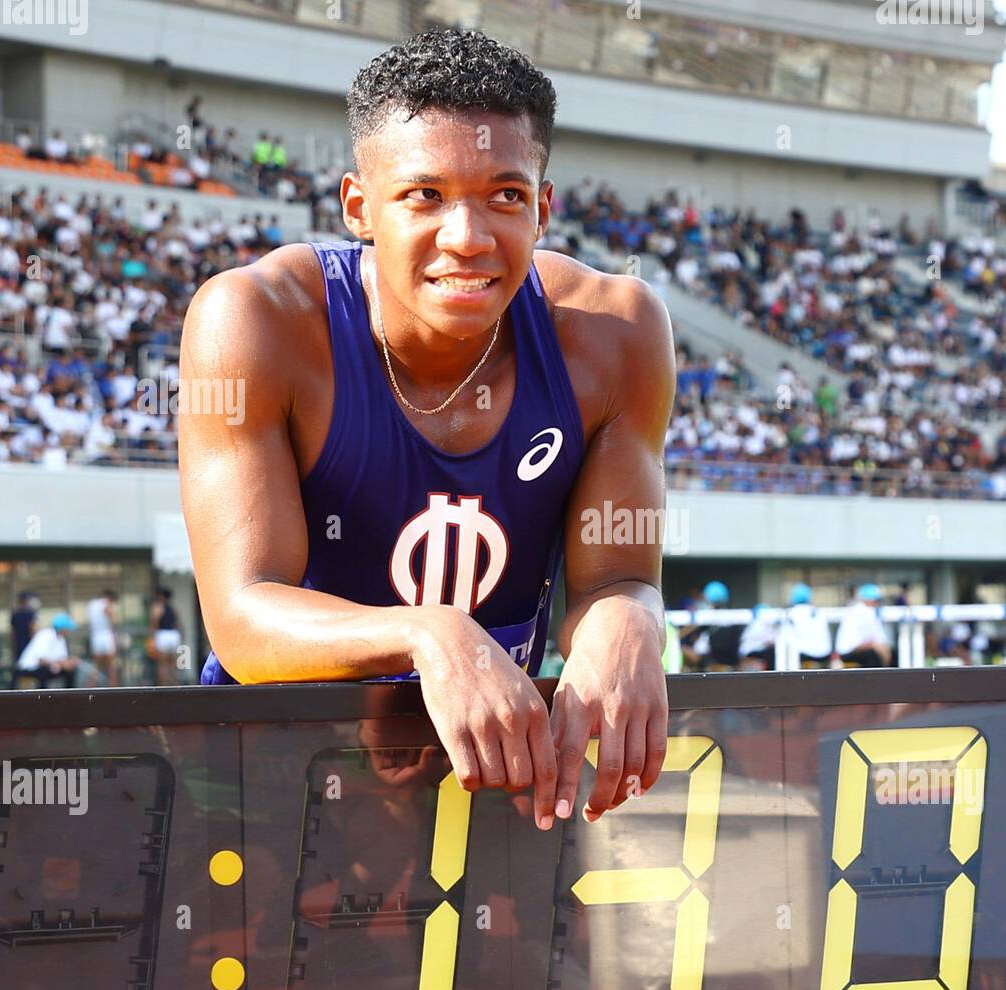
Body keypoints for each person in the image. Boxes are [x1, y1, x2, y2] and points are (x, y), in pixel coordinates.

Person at [178, 29, 674, 832]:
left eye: (505, 196)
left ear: (544, 209)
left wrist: (631, 618)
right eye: (425, 195)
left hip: (485, 781)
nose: (468, 236)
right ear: (357, 206)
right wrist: (429, 634)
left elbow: (620, 575)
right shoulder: (255, 319)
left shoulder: (617, 332)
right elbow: (240, 615)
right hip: (265, 786)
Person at [834, 582, 891, 668]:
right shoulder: (863, 612)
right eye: (876, 600)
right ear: (867, 600)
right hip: (848, 653)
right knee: (873, 656)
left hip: (854, 651)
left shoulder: (864, 611)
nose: (878, 603)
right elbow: (860, 645)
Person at [16, 613, 79, 689]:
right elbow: (41, 660)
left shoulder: (61, 639)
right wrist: (62, 664)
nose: (69, 631)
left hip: (44, 668)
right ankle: (43, 698)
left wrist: (70, 663)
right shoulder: (46, 634)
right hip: (28, 669)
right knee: (45, 670)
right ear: (63, 628)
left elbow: (62, 659)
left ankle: (68, 695)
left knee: (69, 671)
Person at [783, 582, 832, 669]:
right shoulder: (819, 612)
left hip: (804, 656)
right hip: (825, 656)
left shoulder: (791, 613)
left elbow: (786, 638)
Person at [86, 588, 119, 686]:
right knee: (112, 666)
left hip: (95, 636)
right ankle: (114, 690)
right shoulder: (106, 604)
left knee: (97, 666)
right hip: (106, 635)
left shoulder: (92, 604)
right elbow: (114, 621)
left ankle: (89, 689)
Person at [149, 588, 182, 686]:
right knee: (172, 663)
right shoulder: (173, 608)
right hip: (174, 635)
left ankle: (164, 687)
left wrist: (152, 637)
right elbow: (178, 623)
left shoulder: (158, 608)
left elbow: (154, 622)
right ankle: (175, 685)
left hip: (162, 635)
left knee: (162, 664)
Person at [9, 591, 39, 688]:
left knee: (19, 666)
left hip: (18, 643)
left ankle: (14, 687)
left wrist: (13, 645)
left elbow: (12, 632)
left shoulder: (15, 613)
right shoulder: (31, 613)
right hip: (28, 644)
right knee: (29, 667)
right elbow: (33, 629)